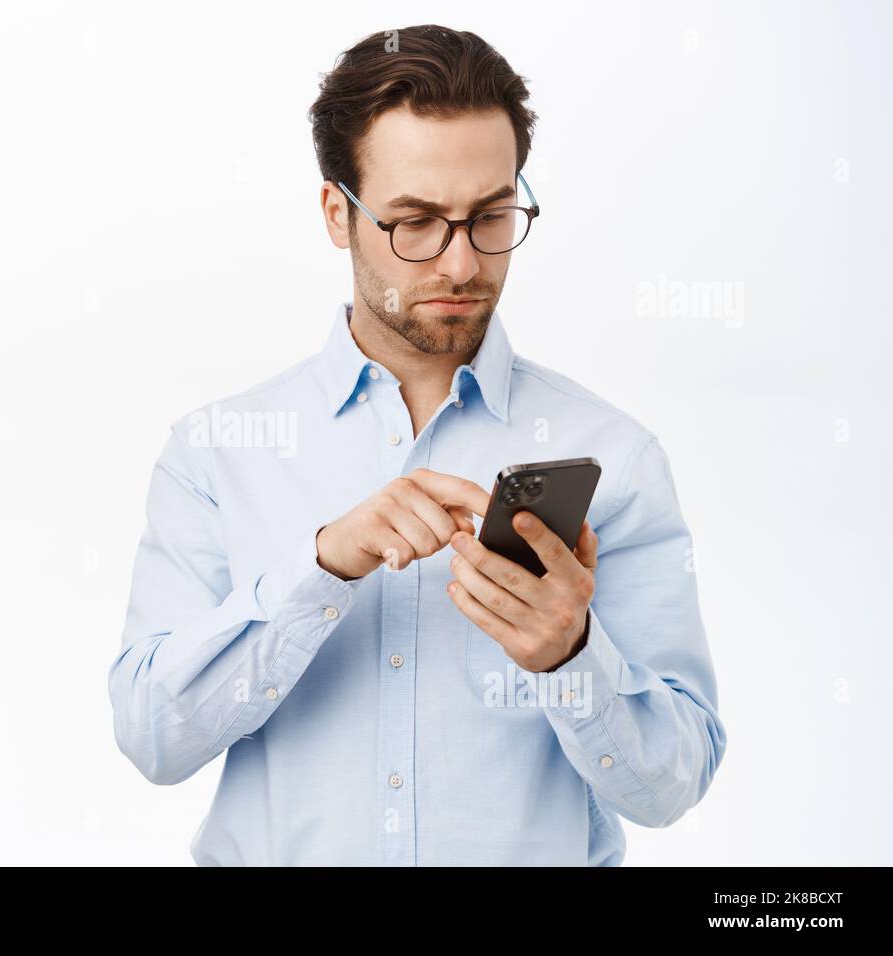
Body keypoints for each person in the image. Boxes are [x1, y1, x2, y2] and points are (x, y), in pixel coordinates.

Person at [108, 24, 727, 866]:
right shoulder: (218, 452)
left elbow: (673, 786)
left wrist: (570, 657)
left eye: (491, 216)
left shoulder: (613, 457)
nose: (462, 263)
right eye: (417, 224)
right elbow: (153, 738)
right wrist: (318, 569)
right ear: (339, 213)